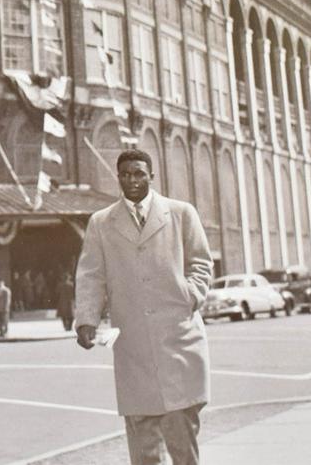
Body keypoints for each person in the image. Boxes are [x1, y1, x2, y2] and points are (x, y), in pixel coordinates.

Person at [75, 149, 212, 465]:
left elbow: (202, 263)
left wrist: (189, 295)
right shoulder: (102, 222)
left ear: (152, 176)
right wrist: (86, 319)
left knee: (182, 440)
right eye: (125, 174)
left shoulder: (181, 213)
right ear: (118, 177)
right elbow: (91, 274)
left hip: (179, 337)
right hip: (133, 344)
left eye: (138, 173)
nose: (131, 180)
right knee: (143, 445)